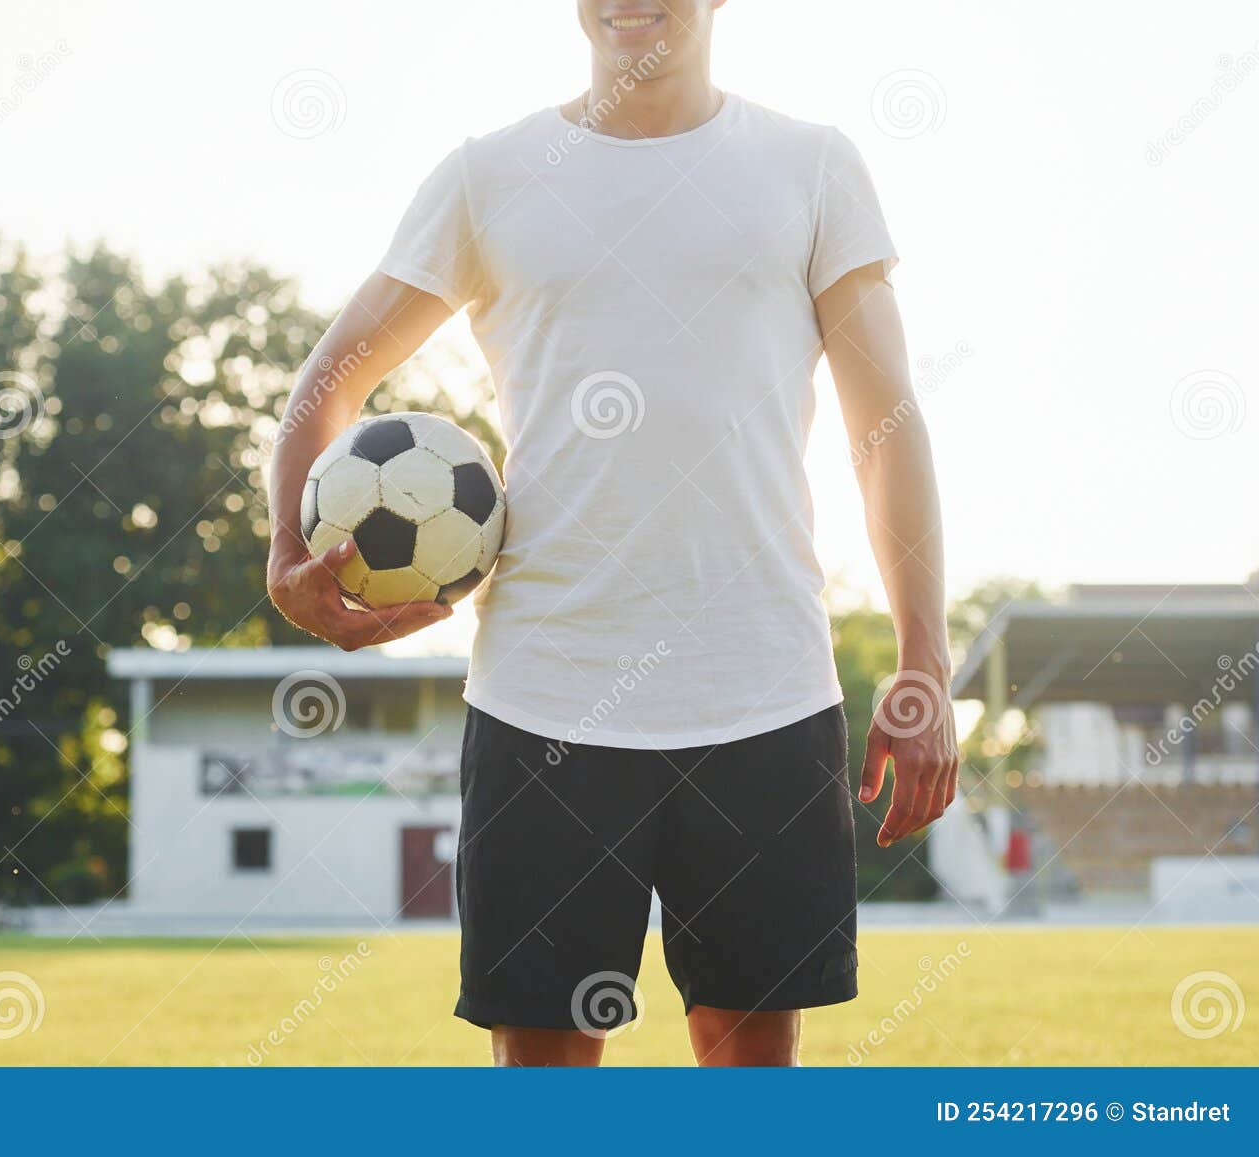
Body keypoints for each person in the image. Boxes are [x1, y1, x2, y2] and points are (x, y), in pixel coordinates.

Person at [267, 0, 959, 1066]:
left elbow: (886, 426)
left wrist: (924, 660)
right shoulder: (488, 176)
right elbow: (329, 380)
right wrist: (287, 551)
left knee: (751, 1077)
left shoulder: (812, 166)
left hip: (763, 688)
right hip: (542, 696)